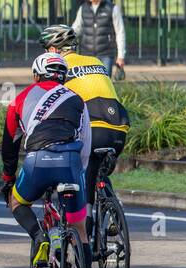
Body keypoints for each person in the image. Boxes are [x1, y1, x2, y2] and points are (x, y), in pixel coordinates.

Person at [1, 52, 94, 268]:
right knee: (80, 228)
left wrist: (8, 180)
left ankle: (39, 236)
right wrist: (80, 172)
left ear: (35, 75)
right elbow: (86, 143)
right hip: (70, 163)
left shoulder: (20, 99)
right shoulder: (77, 99)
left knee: (17, 203)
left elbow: (9, 144)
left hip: (37, 162)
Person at [38, 24, 129, 206]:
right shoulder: (96, 61)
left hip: (94, 127)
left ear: (54, 49)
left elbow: (51, 107)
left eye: (46, 50)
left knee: (79, 172)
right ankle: (112, 210)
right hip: (120, 126)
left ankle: (85, 222)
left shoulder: (58, 68)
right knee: (97, 171)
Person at [70, 0, 126, 74]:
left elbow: (120, 32)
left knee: (104, 85)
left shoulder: (112, 9)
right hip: (86, 55)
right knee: (87, 85)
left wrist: (121, 56)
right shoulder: (83, 9)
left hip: (106, 55)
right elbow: (76, 29)